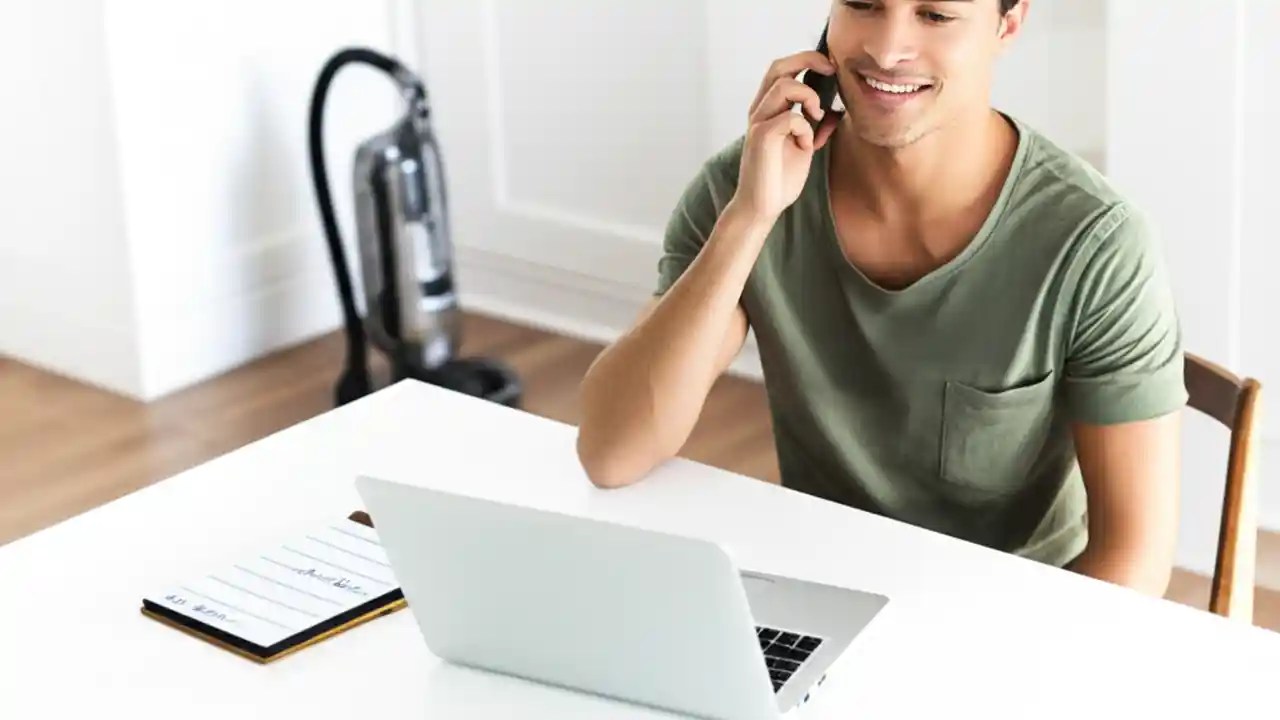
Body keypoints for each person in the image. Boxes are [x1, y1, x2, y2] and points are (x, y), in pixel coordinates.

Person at [575, 0, 1187, 597]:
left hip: (1009, 621)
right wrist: (750, 218)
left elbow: (1132, 560)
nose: (886, 50)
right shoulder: (748, 189)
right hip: (820, 594)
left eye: (936, 16)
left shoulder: (1098, 245)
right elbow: (610, 453)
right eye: (862, 5)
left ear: (1009, 23)